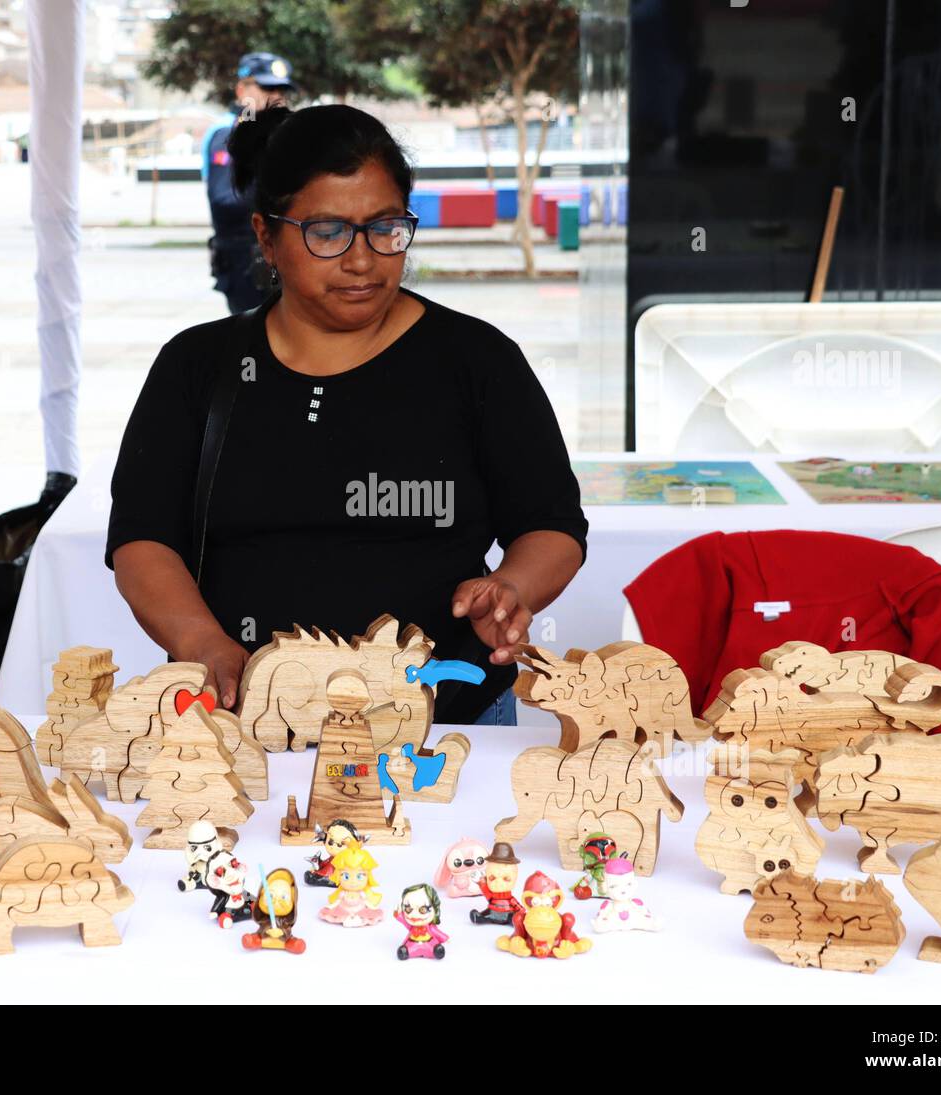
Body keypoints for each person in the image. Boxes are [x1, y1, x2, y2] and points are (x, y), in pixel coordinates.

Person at [106, 104, 587, 725]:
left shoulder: (477, 360)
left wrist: (513, 586)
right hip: (247, 716)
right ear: (265, 236)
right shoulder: (197, 366)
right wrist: (201, 642)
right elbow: (143, 540)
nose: (363, 260)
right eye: (327, 232)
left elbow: (552, 525)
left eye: (386, 228)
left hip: (445, 720)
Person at [201, 53, 295, 313]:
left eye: (281, 89)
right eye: (266, 87)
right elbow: (226, 197)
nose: (276, 95)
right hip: (246, 260)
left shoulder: (276, 132)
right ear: (242, 90)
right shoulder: (228, 132)